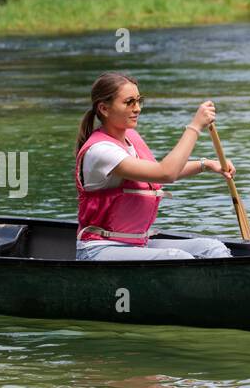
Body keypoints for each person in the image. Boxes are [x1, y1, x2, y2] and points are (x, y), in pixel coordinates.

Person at [75, 71, 235, 261]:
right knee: (177, 258)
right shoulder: (101, 151)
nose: (137, 109)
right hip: (99, 249)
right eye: (129, 102)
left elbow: (157, 173)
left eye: (138, 101)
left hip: (136, 244)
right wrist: (195, 127)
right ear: (104, 108)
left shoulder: (129, 138)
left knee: (212, 247)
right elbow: (166, 173)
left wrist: (206, 164)